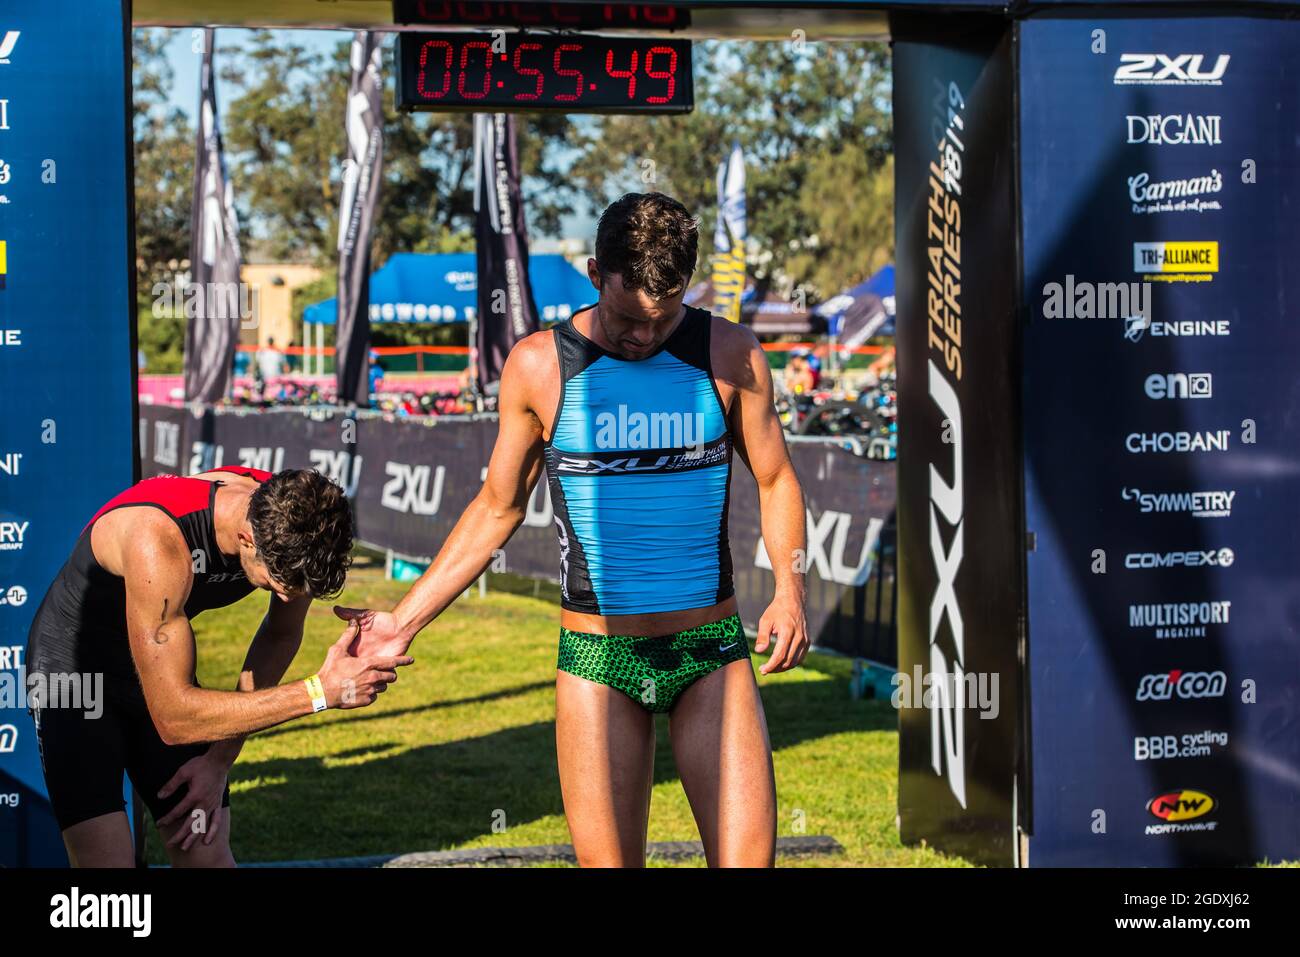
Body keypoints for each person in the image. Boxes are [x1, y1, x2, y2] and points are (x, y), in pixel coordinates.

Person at [335, 192, 809, 867]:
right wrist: (402, 623)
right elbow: (496, 506)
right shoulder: (539, 365)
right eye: (626, 318)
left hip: (709, 650)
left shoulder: (728, 351)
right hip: (598, 661)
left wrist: (790, 590)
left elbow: (777, 479)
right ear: (594, 272)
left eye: (662, 317)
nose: (644, 337)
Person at [24, 466, 413, 868]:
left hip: (155, 665)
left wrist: (218, 761)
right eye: (277, 586)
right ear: (247, 539)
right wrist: (319, 692)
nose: (288, 596)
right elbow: (175, 718)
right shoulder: (158, 540)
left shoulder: (293, 519)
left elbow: (279, 635)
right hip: (73, 672)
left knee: (204, 850)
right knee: (107, 868)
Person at [255, 337, 287, 401]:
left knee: (270, 395)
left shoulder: (264, 351)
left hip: (271, 378)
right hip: (269, 378)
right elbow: (284, 364)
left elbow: (257, 362)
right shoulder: (274, 352)